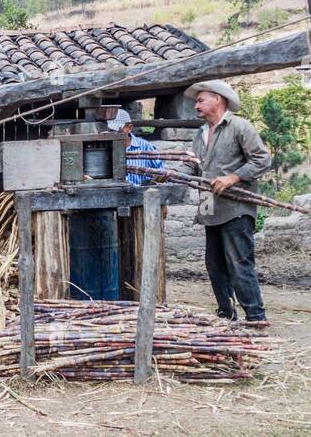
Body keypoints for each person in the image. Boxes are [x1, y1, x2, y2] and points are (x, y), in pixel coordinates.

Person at [184, 80, 272, 326]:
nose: (196, 105)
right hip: (209, 205)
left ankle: (256, 317)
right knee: (214, 263)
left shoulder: (240, 127)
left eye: (201, 100)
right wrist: (170, 174)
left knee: (239, 262)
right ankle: (226, 313)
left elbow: (262, 159)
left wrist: (233, 177)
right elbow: (192, 164)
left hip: (236, 207)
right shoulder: (200, 134)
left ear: (217, 100)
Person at [107, 109, 164, 185]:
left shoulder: (145, 147)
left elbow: (162, 171)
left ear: (129, 128)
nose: (114, 134)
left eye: (118, 130)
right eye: (111, 130)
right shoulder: (105, 148)